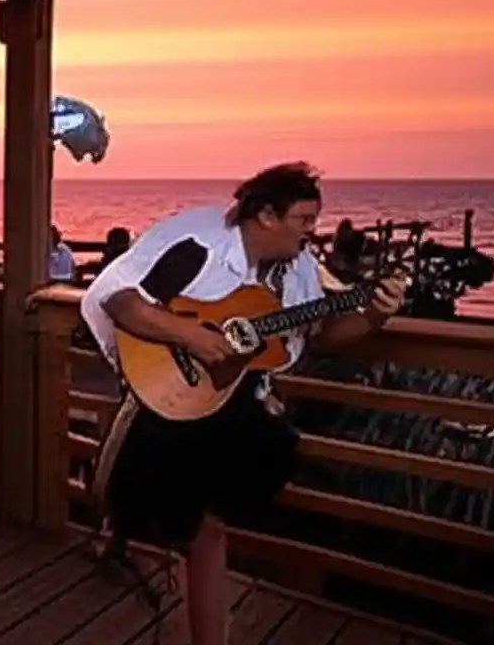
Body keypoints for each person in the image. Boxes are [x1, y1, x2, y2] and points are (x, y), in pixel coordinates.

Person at [79, 161, 406, 645]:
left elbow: (321, 334)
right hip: (174, 385)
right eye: (304, 220)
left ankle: (186, 582)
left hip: (233, 401)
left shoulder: (298, 270)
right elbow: (118, 300)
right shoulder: (196, 243)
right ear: (267, 216)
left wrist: (374, 316)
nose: (313, 233)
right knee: (190, 519)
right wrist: (192, 335)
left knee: (214, 518)